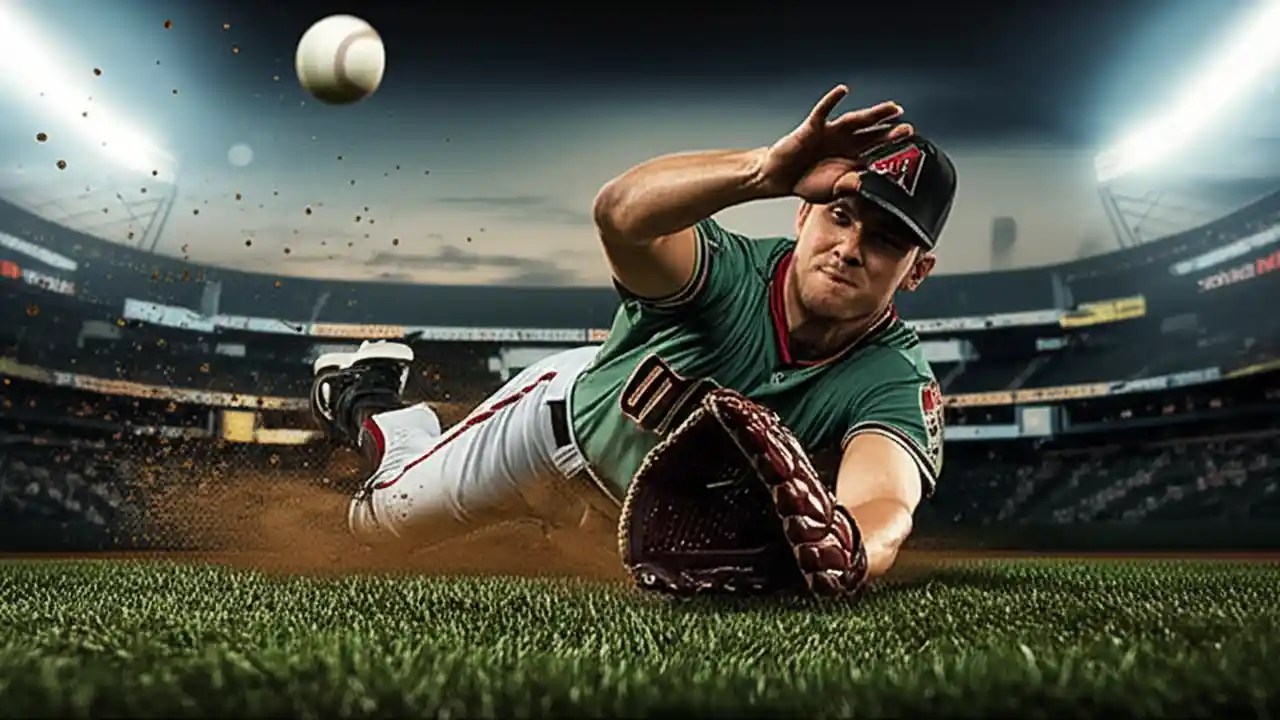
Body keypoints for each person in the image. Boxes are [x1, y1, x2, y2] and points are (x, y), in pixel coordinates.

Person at [310, 84, 956, 583]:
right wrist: (761, 171)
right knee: (375, 525)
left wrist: (852, 552)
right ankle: (377, 408)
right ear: (803, 213)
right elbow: (619, 215)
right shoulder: (728, 274)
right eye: (841, 216)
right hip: (550, 436)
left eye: (886, 239)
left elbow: (883, 506)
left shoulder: (892, 377)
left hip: (637, 528)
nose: (849, 247)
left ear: (917, 271)